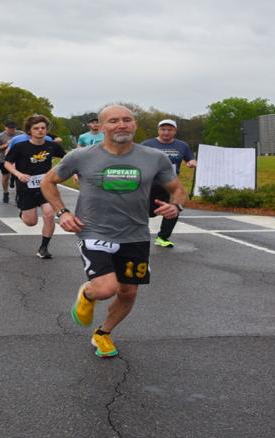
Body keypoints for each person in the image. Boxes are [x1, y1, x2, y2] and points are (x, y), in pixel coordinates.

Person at [42, 105, 183, 359]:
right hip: (93, 231)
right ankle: (88, 292)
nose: (121, 125)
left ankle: (103, 333)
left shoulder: (154, 158)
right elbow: (47, 181)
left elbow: (177, 188)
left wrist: (176, 205)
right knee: (107, 289)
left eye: (127, 120)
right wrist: (63, 213)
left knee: (128, 291)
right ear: (102, 126)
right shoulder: (81, 156)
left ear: (135, 125)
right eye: (114, 121)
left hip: (135, 234)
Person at [3, 115, 66, 259]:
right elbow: (7, 163)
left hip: (46, 186)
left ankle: (44, 248)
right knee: (31, 222)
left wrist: (74, 172)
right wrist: (18, 174)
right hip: (26, 186)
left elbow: (67, 159)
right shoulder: (20, 147)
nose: (40, 131)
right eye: (36, 128)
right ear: (29, 131)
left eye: (43, 128)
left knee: (49, 214)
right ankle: (22, 213)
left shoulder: (52, 146)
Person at [140, 118, 195, 248]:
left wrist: (192, 162)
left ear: (174, 131)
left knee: (174, 207)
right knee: (148, 212)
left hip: (171, 184)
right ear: (158, 130)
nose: (166, 132)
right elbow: (135, 158)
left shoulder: (182, 145)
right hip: (150, 183)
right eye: (163, 129)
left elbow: (190, 159)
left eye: (169, 130)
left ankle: (163, 237)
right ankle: (137, 235)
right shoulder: (147, 144)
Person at [0, 120, 21, 203]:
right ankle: (5, 192)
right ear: (5, 128)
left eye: (13, 128)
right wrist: (6, 145)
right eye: (10, 128)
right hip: (5, 159)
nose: (12, 130)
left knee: (18, 177)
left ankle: (18, 195)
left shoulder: (20, 134)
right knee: (5, 177)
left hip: (19, 159)